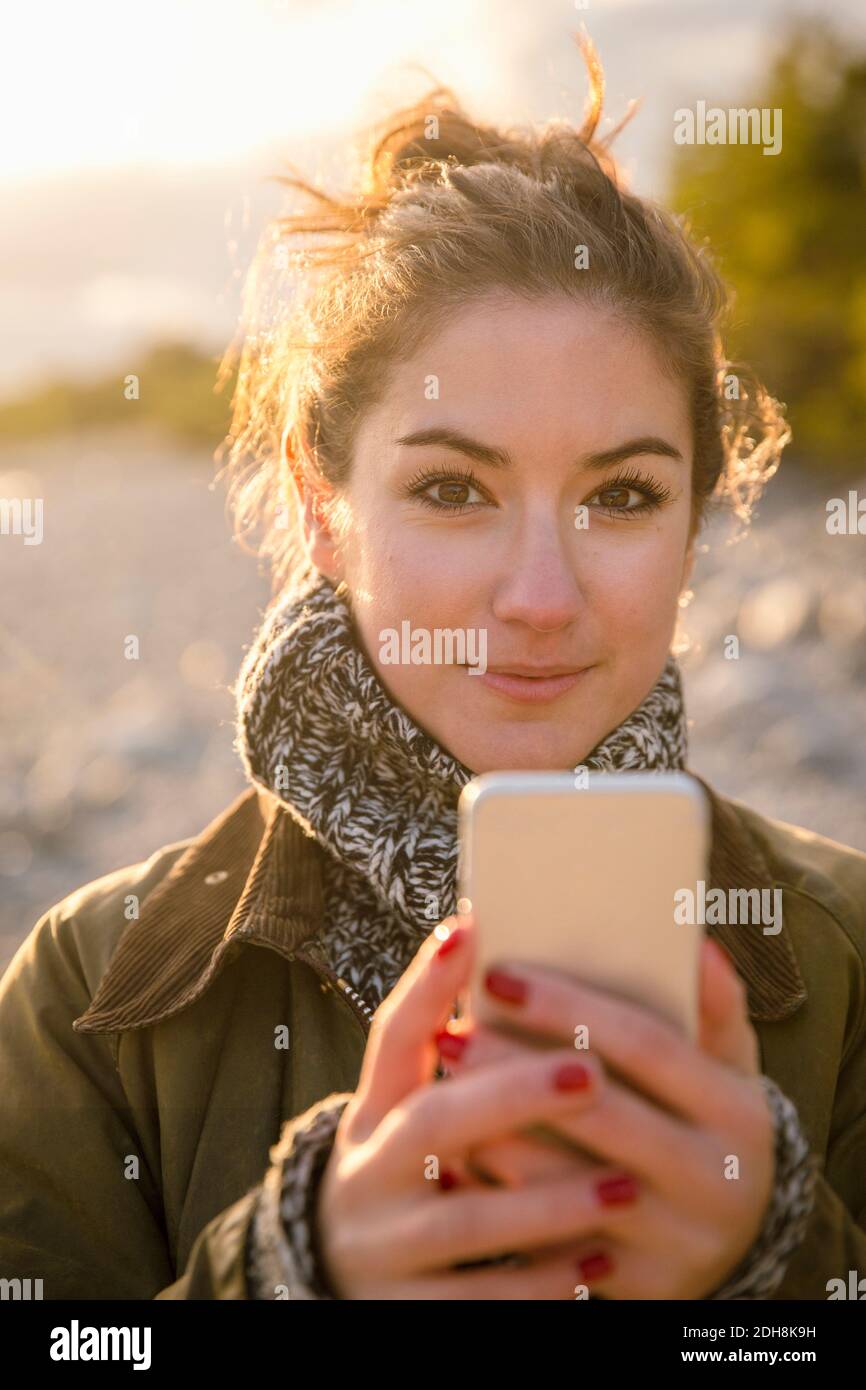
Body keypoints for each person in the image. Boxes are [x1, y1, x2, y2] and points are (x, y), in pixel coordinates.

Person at [1, 35, 864, 1301]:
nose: (539, 597)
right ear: (322, 509)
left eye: (621, 495)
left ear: (697, 519)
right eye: (452, 489)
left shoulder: (845, 962)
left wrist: (774, 1268)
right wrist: (291, 1272)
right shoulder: (91, 992)